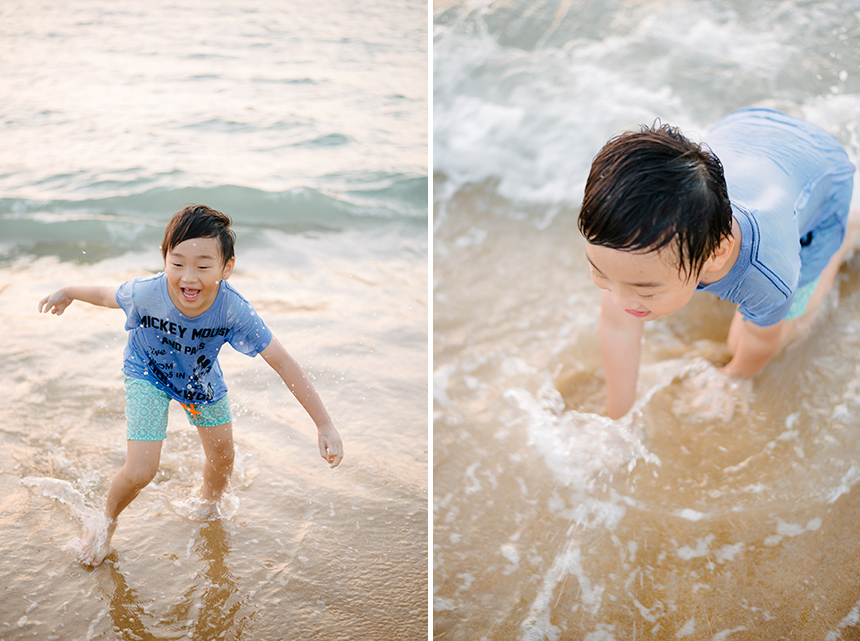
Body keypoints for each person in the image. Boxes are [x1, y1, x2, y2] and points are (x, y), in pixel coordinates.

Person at [38, 204, 344, 566]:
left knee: (223, 455)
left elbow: (282, 361)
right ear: (164, 258)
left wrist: (323, 423)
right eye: (178, 263)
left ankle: (208, 506)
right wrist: (69, 291)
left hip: (198, 378)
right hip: (147, 372)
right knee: (141, 471)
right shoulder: (147, 292)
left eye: (203, 266)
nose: (188, 277)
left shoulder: (234, 310)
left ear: (226, 268)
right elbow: (107, 295)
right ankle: (106, 522)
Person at [578, 108, 857, 419]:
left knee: (762, 337)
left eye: (645, 289)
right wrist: (618, 418)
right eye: (600, 274)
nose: (619, 299)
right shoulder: (626, 247)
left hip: (825, 175)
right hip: (745, 130)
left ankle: (849, 231)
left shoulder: (767, 274)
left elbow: (761, 342)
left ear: (716, 253)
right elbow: (619, 329)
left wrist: (735, 377)